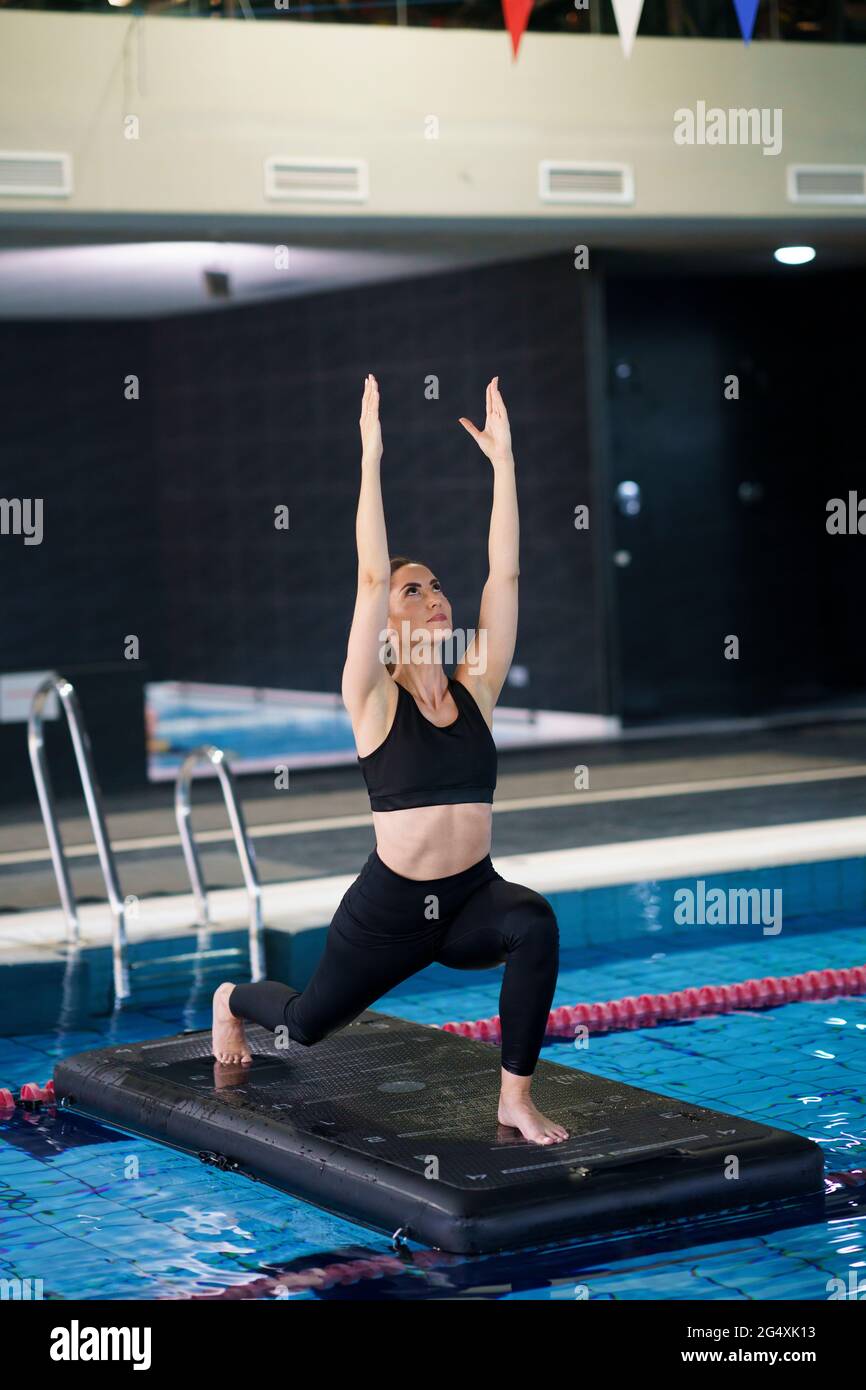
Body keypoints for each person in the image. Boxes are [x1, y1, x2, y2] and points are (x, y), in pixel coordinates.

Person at [212, 374, 566, 1145]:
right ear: (389, 616)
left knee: (534, 923)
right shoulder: (371, 700)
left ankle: (514, 1098)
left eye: (437, 586)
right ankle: (233, 996)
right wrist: (370, 457)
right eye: (416, 590)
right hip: (391, 913)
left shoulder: (478, 687)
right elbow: (371, 574)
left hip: (473, 901)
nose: (433, 595)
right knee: (306, 1026)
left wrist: (505, 467)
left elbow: (503, 575)